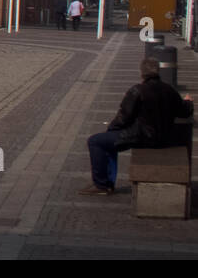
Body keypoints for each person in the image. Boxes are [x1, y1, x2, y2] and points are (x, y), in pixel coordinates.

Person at [81, 56, 193, 195]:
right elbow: (185, 111)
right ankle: (106, 183)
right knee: (108, 140)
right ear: (158, 71)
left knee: (96, 141)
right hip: (163, 138)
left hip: (142, 136)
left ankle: (102, 185)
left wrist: (110, 130)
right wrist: (188, 101)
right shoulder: (169, 90)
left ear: (142, 73)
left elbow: (123, 118)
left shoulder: (138, 90)